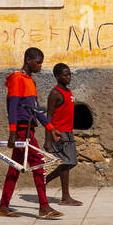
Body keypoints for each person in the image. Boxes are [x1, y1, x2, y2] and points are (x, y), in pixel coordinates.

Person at [0, 47, 62, 220]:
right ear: (28, 60)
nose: (40, 66)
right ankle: (44, 206)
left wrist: (51, 128)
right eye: (38, 62)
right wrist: (12, 133)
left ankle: (3, 206)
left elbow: (36, 110)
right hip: (22, 132)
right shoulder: (18, 79)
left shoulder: (29, 81)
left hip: (27, 130)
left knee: (15, 168)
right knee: (38, 165)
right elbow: (12, 107)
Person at [44, 63, 82, 206]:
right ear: (57, 76)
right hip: (59, 133)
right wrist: (48, 140)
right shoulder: (55, 93)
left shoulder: (68, 91)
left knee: (71, 162)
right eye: (65, 75)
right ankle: (65, 197)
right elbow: (49, 117)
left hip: (68, 132)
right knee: (66, 163)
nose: (69, 77)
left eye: (69, 74)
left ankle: (45, 179)